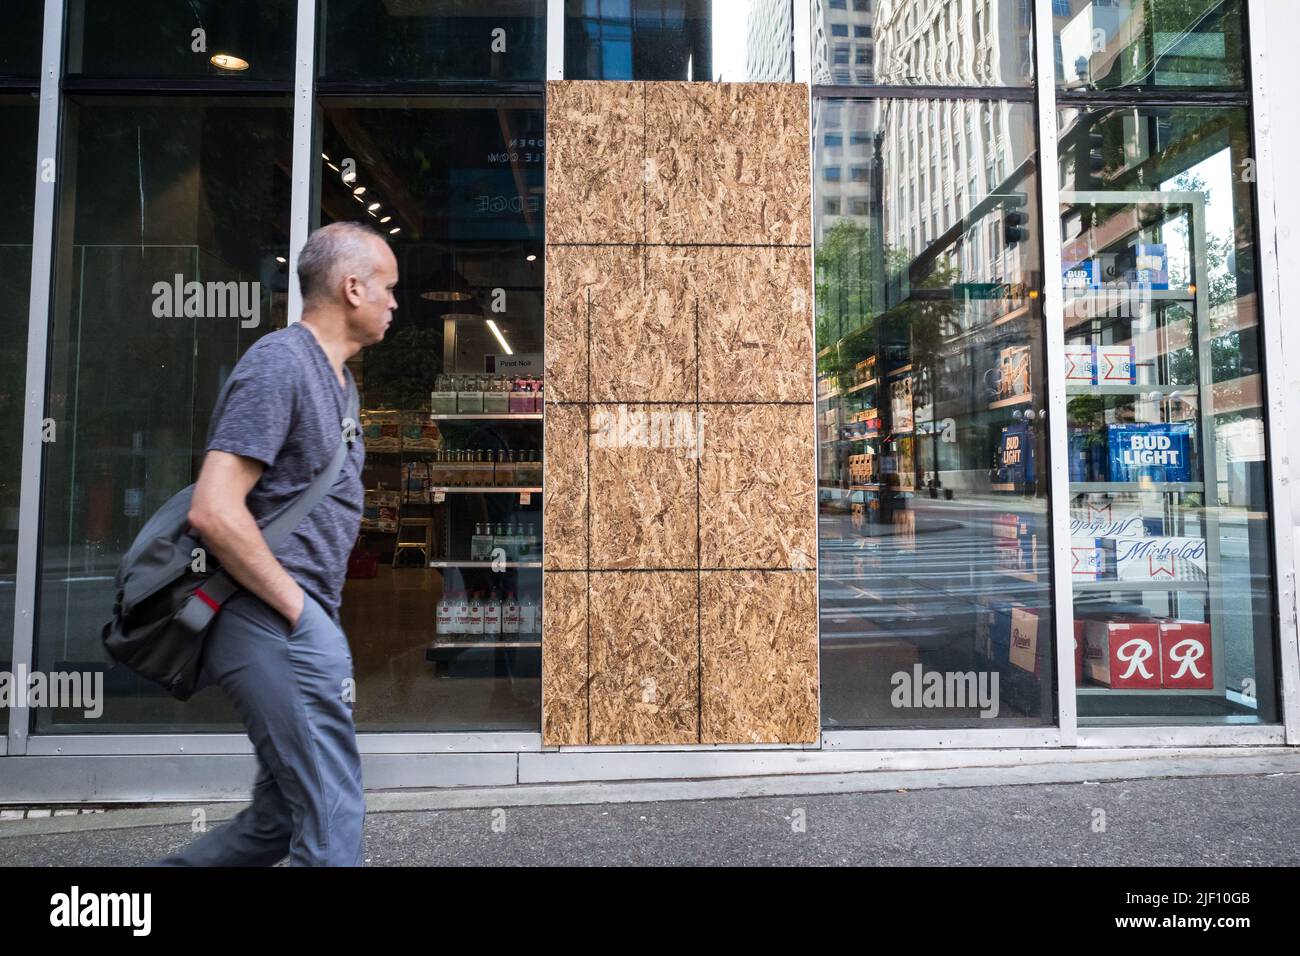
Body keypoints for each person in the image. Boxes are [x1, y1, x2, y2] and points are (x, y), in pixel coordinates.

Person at [158, 221, 398, 866]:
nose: (395, 302)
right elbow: (214, 507)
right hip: (269, 619)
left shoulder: (340, 384)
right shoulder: (280, 365)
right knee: (331, 820)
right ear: (352, 288)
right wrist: (298, 610)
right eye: (388, 287)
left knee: (275, 822)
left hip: (294, 618)